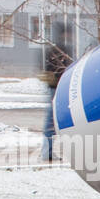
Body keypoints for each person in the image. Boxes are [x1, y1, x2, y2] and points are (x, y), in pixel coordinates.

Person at [41, 20, 74, 161]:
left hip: (54, 88)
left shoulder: (52, 50)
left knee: (52, 121)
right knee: (52, 121)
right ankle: (47, 152)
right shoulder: (61, 51)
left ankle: (48, 151)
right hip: (57, 89)